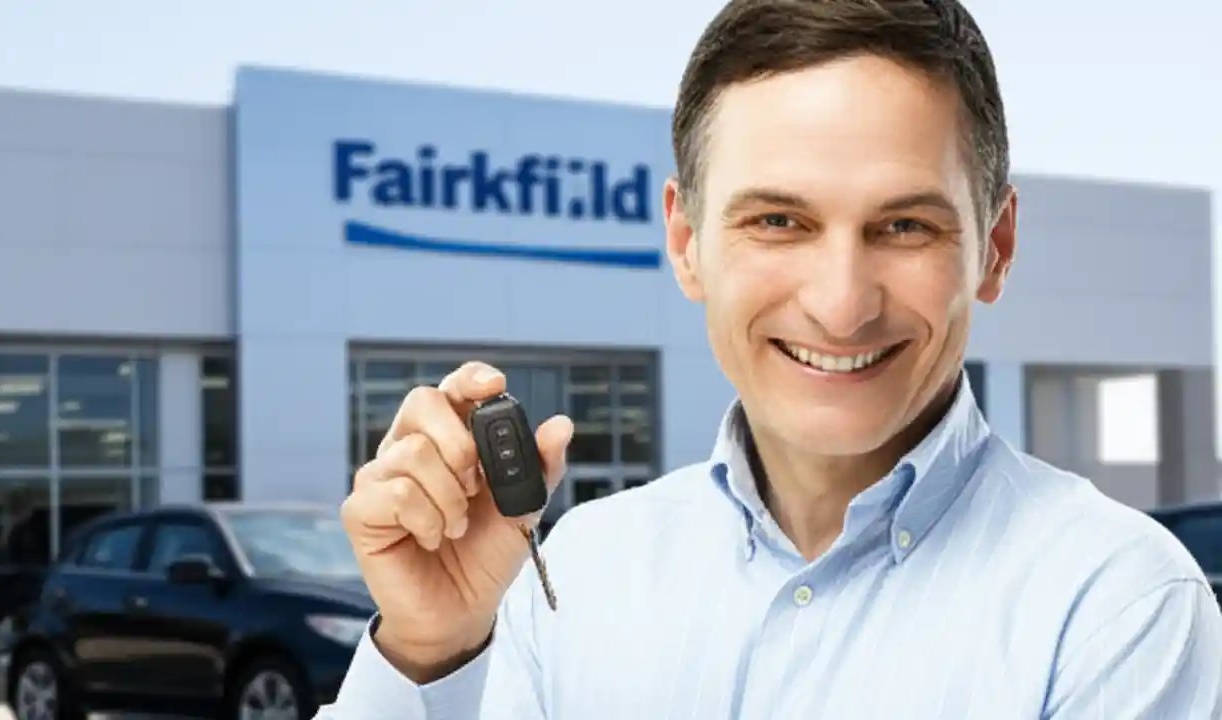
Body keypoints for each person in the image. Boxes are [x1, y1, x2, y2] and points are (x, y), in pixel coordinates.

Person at [319, 1, 1222, 717]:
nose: (840, 302)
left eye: (903, 225)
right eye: (779, 222)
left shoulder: (1117, 606)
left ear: (995, 246)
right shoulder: (570, 577)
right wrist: (429, 651)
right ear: (685, 240)